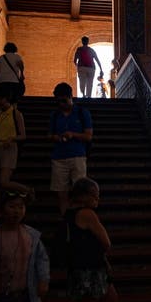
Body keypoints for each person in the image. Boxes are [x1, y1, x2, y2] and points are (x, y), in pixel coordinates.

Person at [65, 177, 117, 302]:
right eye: (95, 195)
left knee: (110, 298)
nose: (98, 199)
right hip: (88, 269)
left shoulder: (70, 212)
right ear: (85, 196)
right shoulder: (87, 214)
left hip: (90, 266)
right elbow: (106, 242)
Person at [49, 82, 93, 213]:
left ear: (70, 97)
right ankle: (65, 220)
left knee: (80, 192)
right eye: (58, 101)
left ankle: (80, 220)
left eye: (63, 100)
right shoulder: (55, 115)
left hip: (78, 156)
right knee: (61, 193)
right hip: (59, 157)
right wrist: (56, 137)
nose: (61, 104)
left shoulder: (82, 113)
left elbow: (88, 136)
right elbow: (49, 135)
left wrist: (72, 134)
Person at [0, 87, 33, 210]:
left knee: (4, 181)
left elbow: (23, 135)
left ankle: (27, 190)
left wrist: (11, 139)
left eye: (1, 99)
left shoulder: (15, 113)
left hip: (9, 147)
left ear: (7, 99)